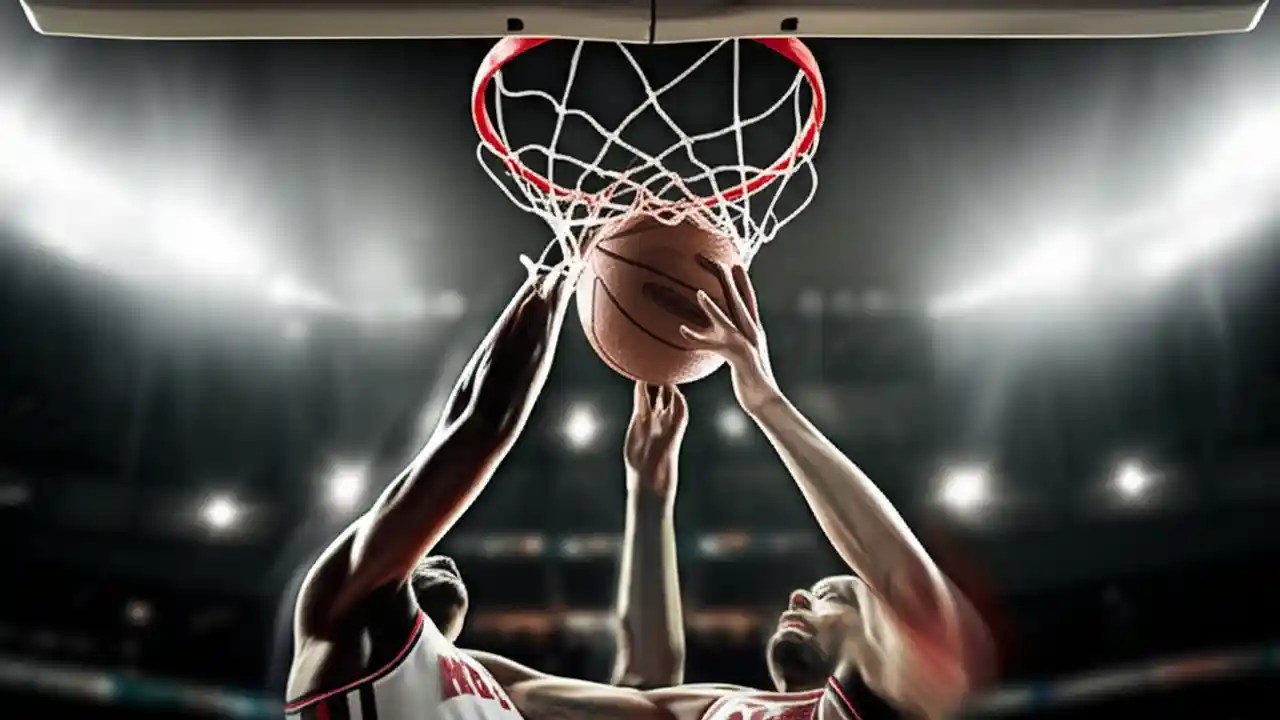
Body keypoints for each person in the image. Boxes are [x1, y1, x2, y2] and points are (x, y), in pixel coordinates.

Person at [461, 260, 994, 720]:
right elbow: (641, 691)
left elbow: (909, 591)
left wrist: (766, 401)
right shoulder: (726, 705)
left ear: (881, 643)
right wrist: (649, 498)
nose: (799, 595)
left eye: (832, 596)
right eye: (822, 591)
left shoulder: (877, 709)